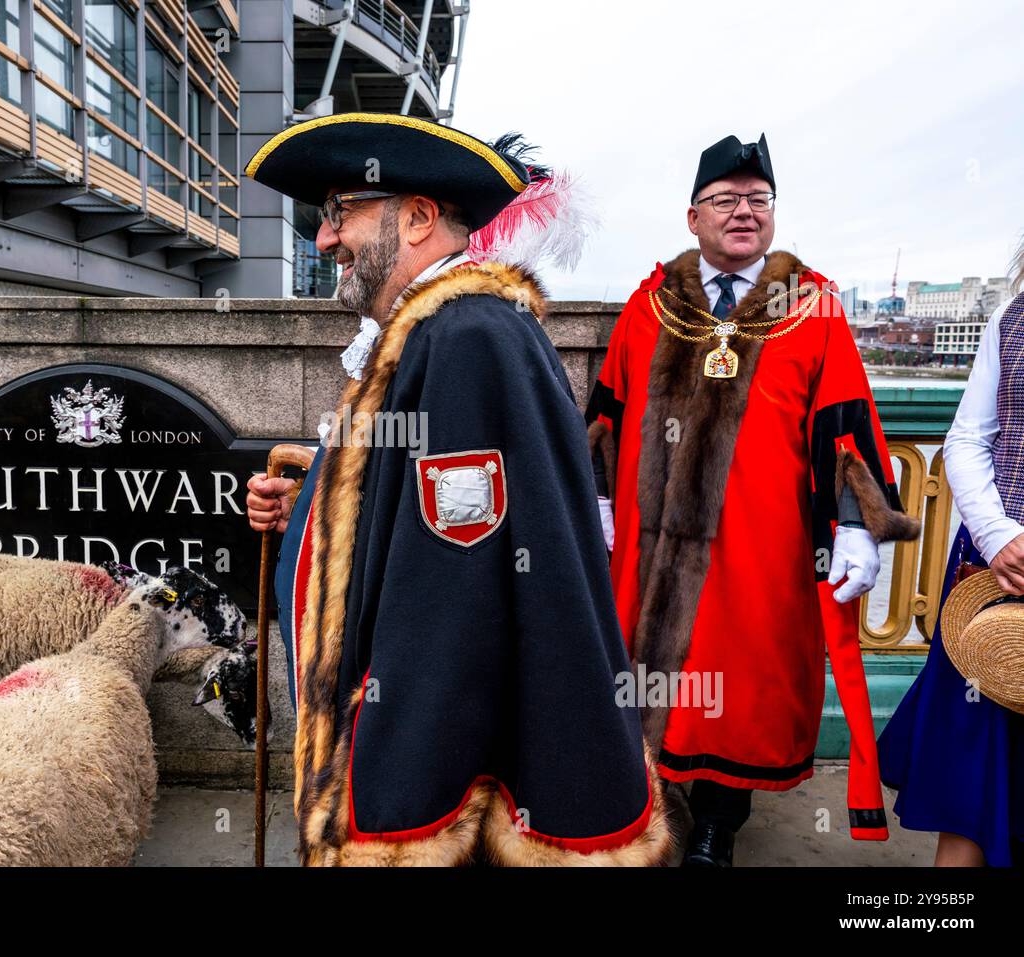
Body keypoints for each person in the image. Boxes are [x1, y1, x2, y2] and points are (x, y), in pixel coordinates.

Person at [243, 112, 670, 866]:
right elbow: (408, 496)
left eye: (340, 212)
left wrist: (400, 805)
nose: (324, 239)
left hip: (434, 786)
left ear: (416, 218)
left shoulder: (467, 341)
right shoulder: (434, 333)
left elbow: (452, 591)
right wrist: (311, 506)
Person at [584, 133, 920, 866]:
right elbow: (605, 411)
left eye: (758, 200)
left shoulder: (814, 307)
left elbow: (848, 422)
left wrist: (859, 525)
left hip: (761, 547)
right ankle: (657, 804)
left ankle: (717, 823)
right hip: (654, 543)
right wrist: (601, 504)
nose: (745, 212)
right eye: (727, 200)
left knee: (741, 690)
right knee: (655, 679)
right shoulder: (649, 307)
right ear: (693, 216)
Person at [878, 237, 1024, 867]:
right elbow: (967, 439)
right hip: (1000, 570)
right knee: (976, 760)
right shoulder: (1010, 319)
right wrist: (999, 536)